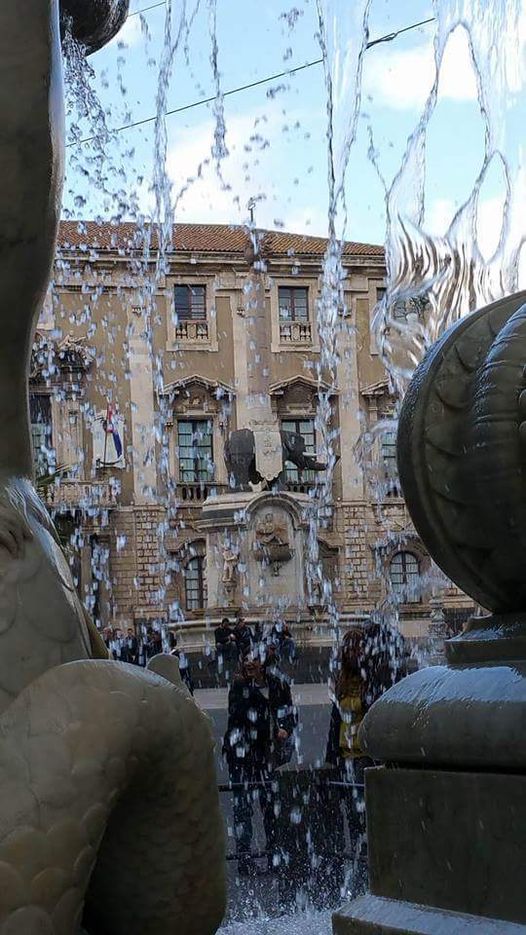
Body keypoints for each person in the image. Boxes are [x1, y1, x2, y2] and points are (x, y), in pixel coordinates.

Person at [324, 622, 404, 885]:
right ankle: (362, 868)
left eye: (357, 647)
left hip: (365, 757)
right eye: (349, 648)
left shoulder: (375, 677)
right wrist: (330, 758)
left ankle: (374, 869)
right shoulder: (343, 681)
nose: (353, 652)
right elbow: (335, 722)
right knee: (354, 818)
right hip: (345, 757)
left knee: (368, 817)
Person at [222, 654, 297, 875]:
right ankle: (244, 860)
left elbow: (289, 713)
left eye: (253, 658)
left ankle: (274, 855)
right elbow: (242, 716)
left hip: (268, 756)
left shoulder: (278, 684)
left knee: (271, 807)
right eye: (245, 658)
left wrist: (285, 727)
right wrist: (274, 729)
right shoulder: (239, 686)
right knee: (243, 809)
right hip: (242, 755)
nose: (248, 663)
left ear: (263, 662)